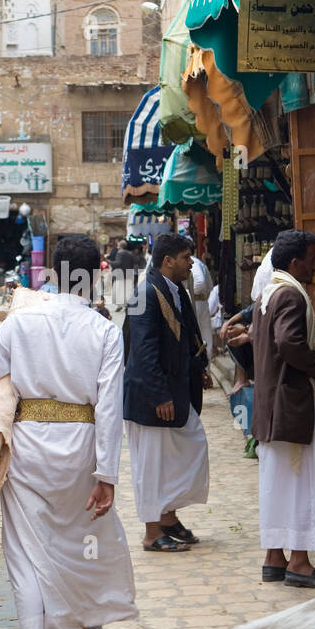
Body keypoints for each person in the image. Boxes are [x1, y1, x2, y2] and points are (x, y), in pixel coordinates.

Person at [0, 234, 137, 629]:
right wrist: (107, 475)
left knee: (25, 557)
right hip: (80, 452)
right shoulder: (104, 331)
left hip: (28, 449)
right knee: (77, 548)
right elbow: (110, 409)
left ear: (49, 274)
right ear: (94, 275)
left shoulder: (21, 324)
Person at [251, 230, 315, 588]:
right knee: (300, 481)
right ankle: (299, 563)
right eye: (311, 258)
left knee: (278, 481)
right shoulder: (290, 295)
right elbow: (289, 343)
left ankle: (275, 556)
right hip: (291, 402)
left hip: (272, 404)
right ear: (294, 263)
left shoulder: (268, 292)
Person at [123, 232, 209, 552]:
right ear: (168, 261)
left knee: (190, 448)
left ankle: (168, 517)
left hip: (174, 391)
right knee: (152, 465)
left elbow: (187, 335)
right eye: (187, 258)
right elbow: (142, 353)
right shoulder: (146, 294)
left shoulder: (174, 289)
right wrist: (160, 395)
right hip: (150, 398)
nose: (191, 264)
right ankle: (151, 532)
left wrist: (199, 368)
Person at [189, 251, 215, 357]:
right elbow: (210, 286)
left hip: (195, 303)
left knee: (197, 338)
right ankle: (206, 368)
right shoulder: (199, 263)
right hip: (202, 303)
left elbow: (200, 282)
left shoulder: (193, 263)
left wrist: (187, 293)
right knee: (205, 337)